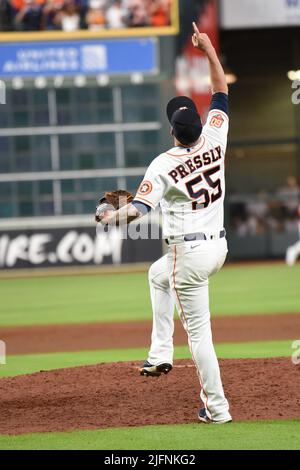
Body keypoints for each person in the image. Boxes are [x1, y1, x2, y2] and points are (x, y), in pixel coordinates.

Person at [96, 23, 232, 424]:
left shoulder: (164, 163)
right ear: (198, 124)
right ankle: (159, 354)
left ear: (172, 130)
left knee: (200, 334)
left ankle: (218, 409)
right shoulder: (215, 136)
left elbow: (138, 209)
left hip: (188, 255)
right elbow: (221, 86)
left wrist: (108, 217)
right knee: (157, 276)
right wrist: (208, 48)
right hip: (217, 248)